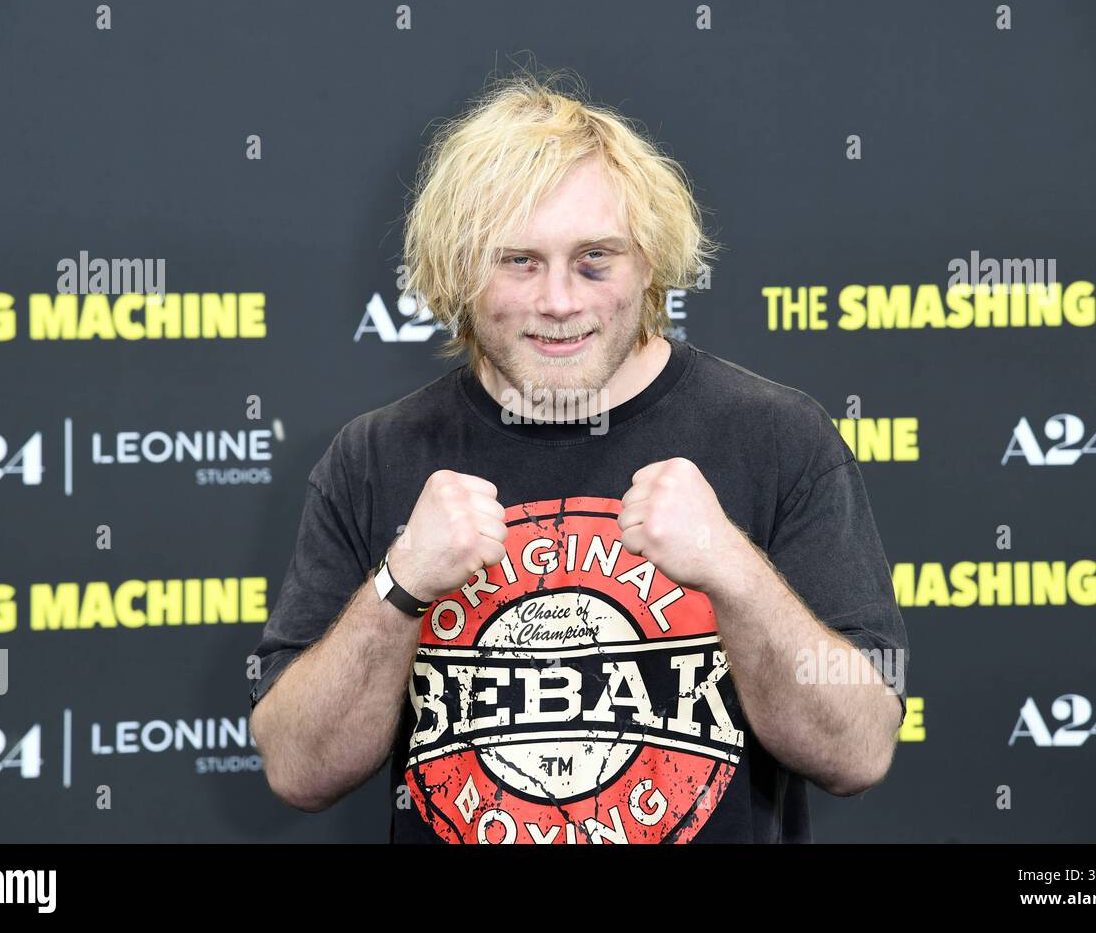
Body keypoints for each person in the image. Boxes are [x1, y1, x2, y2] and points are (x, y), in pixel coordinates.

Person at [247, 69, 909, 844]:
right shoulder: (375, 457)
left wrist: (732, 567)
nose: (559, 300)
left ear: (649, 264)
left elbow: (857, 751)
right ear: (458, 270)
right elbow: (296, 767)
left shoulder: (778, 439)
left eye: (595, 258)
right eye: (518, 261)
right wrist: (402, 584)